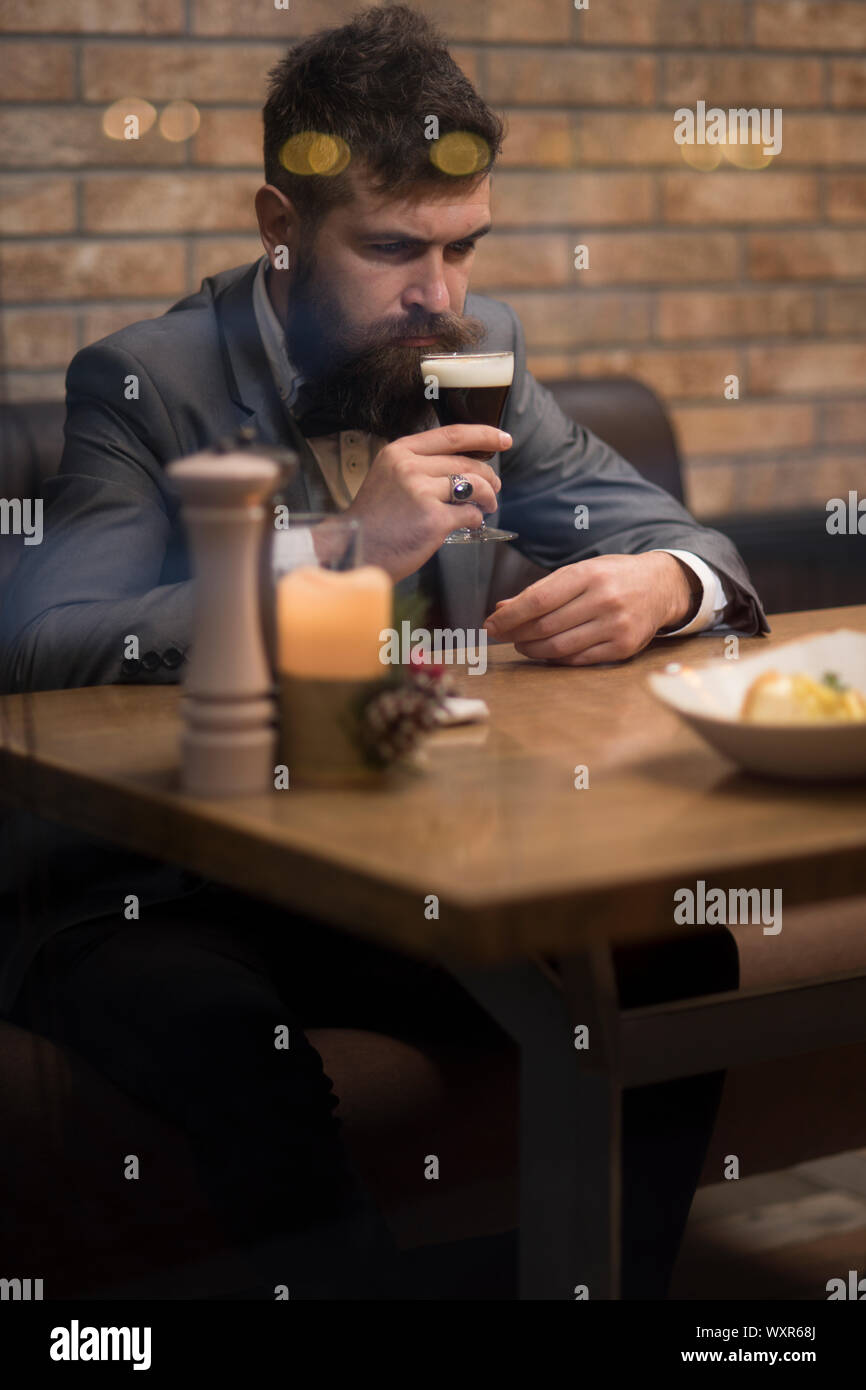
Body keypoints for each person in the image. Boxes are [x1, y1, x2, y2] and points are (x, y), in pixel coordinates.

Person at [0, 5, 751, 1298]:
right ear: (278, 227)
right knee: (230, 1042)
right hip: (159, 874)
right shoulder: (140, 381)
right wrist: (343, 549)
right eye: (393, 248)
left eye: (464, 249)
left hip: (396, 854)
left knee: (680, 956)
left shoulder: (475, 355)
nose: (440, 297)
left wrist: (657, 583)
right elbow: (49, 639)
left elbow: (691, 545)